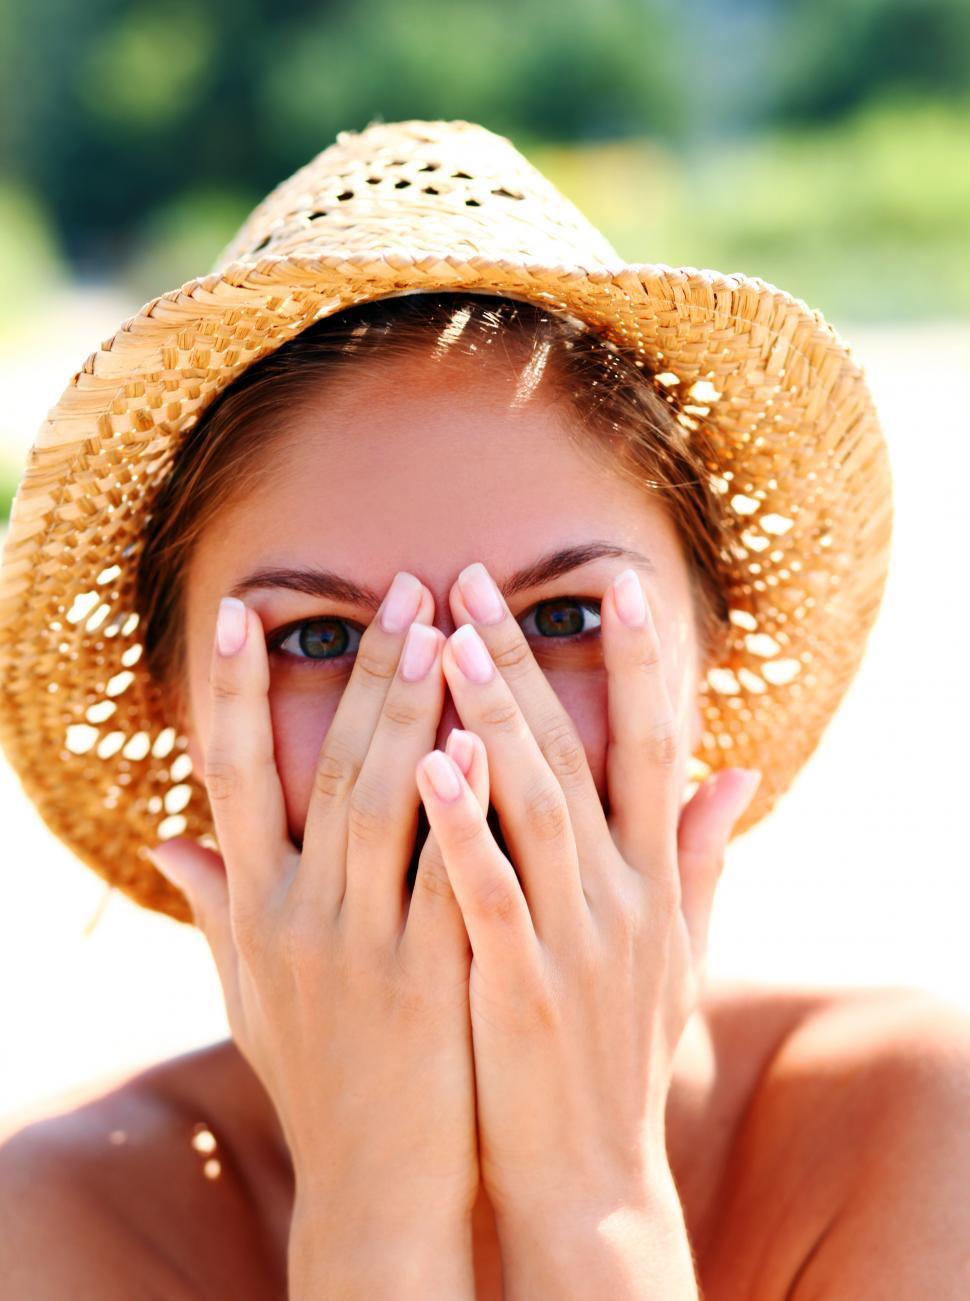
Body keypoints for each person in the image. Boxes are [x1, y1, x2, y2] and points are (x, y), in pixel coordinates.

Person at [0, 119, 967, 1298]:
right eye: (322, 639)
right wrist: (372, 1215)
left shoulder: (921, 1134)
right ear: (187, 716)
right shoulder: (56, 1226)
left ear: (701, 656)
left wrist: (595, 1196)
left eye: (557, 620)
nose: (454, 736)